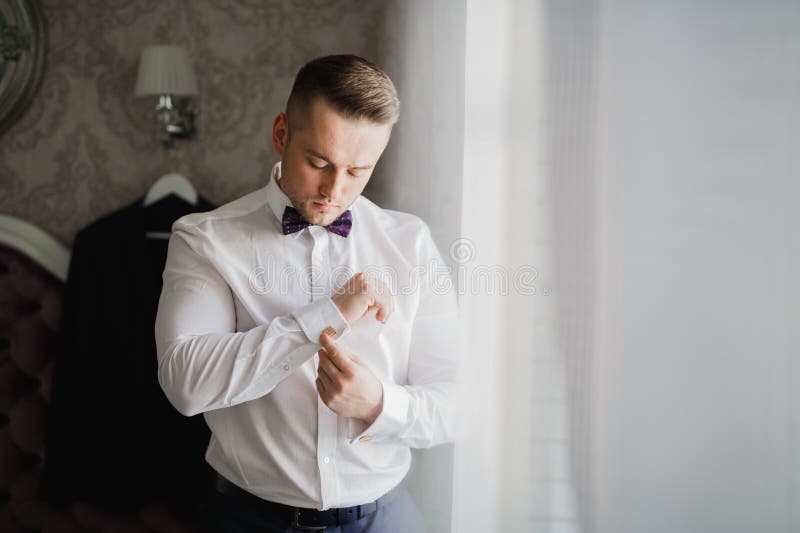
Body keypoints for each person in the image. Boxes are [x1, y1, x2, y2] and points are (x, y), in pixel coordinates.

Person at [154, 54, 459, 532]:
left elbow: (458, 404)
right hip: (248, 519)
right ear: (281, 134)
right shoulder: (205, 239)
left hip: (385, 518)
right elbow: (186, 383)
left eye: (358, 171)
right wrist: (326, 316)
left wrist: (379, 404)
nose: (334, 190)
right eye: (318, 162)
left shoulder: (410, 243)